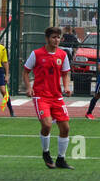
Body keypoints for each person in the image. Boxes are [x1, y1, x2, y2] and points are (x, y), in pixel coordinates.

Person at [23, 26, 74, 169]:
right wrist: (29, 88)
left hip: (56, 96)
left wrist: (66, 87)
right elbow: (26, 72)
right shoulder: (36, 54)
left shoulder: (63, 55)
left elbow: (65, 74)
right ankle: (46, 153)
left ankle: (61, 159)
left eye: (58, 37)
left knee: (65, 128)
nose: (56, 40)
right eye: (53, 37)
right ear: (47, 39)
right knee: (47, 124)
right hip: (41, 96)